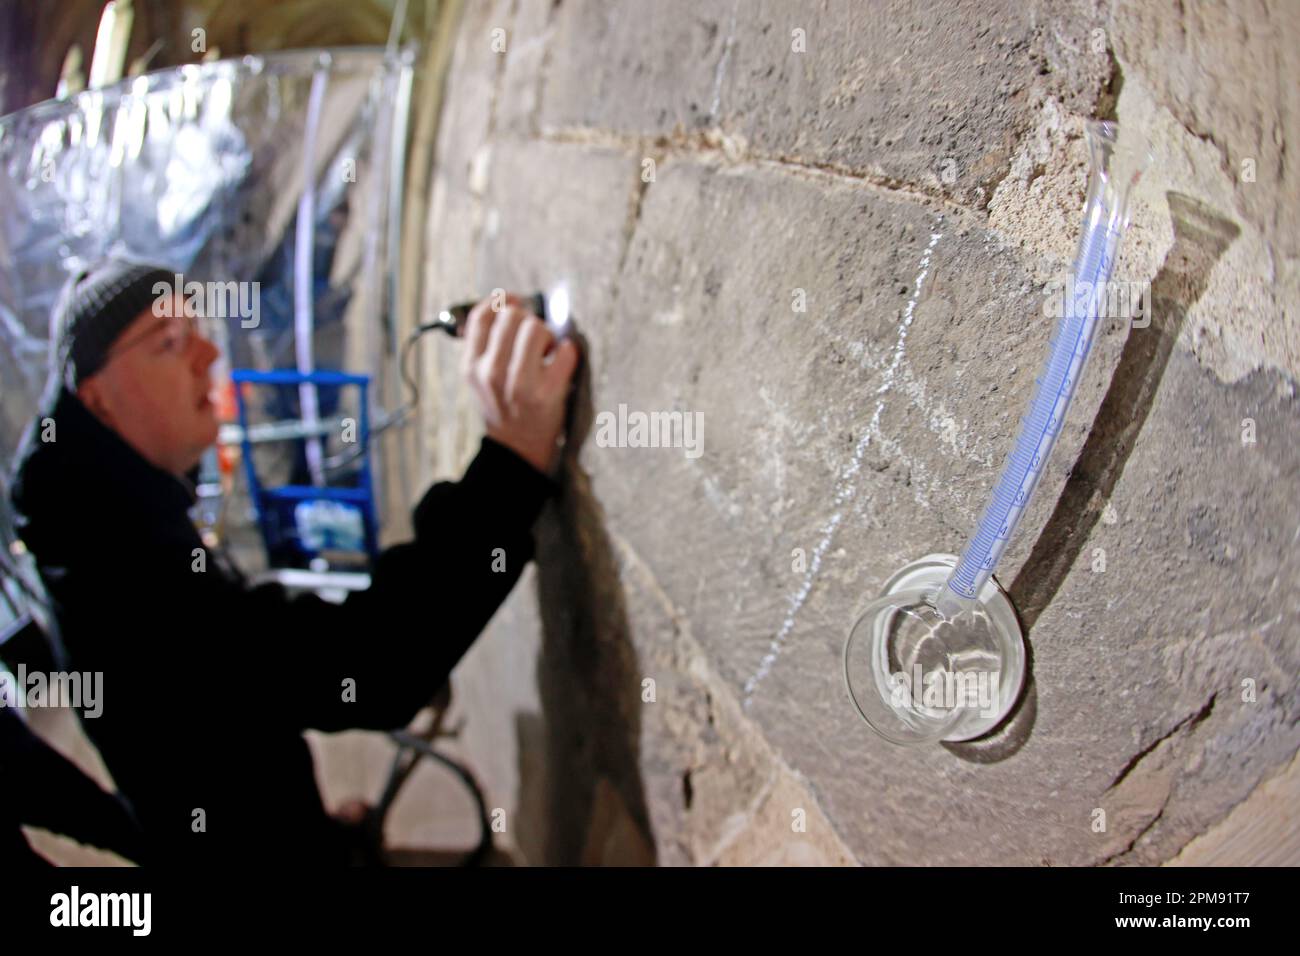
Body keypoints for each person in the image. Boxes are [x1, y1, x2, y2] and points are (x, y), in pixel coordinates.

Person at [7, 260, 579, 864]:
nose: (206, 355)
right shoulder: (116, 570)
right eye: (168, 343)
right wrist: (511, 462)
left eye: (196, 329)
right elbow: (365, 665)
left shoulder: (99, 518)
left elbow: (234, 701)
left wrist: (317, 835)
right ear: (97, 400)